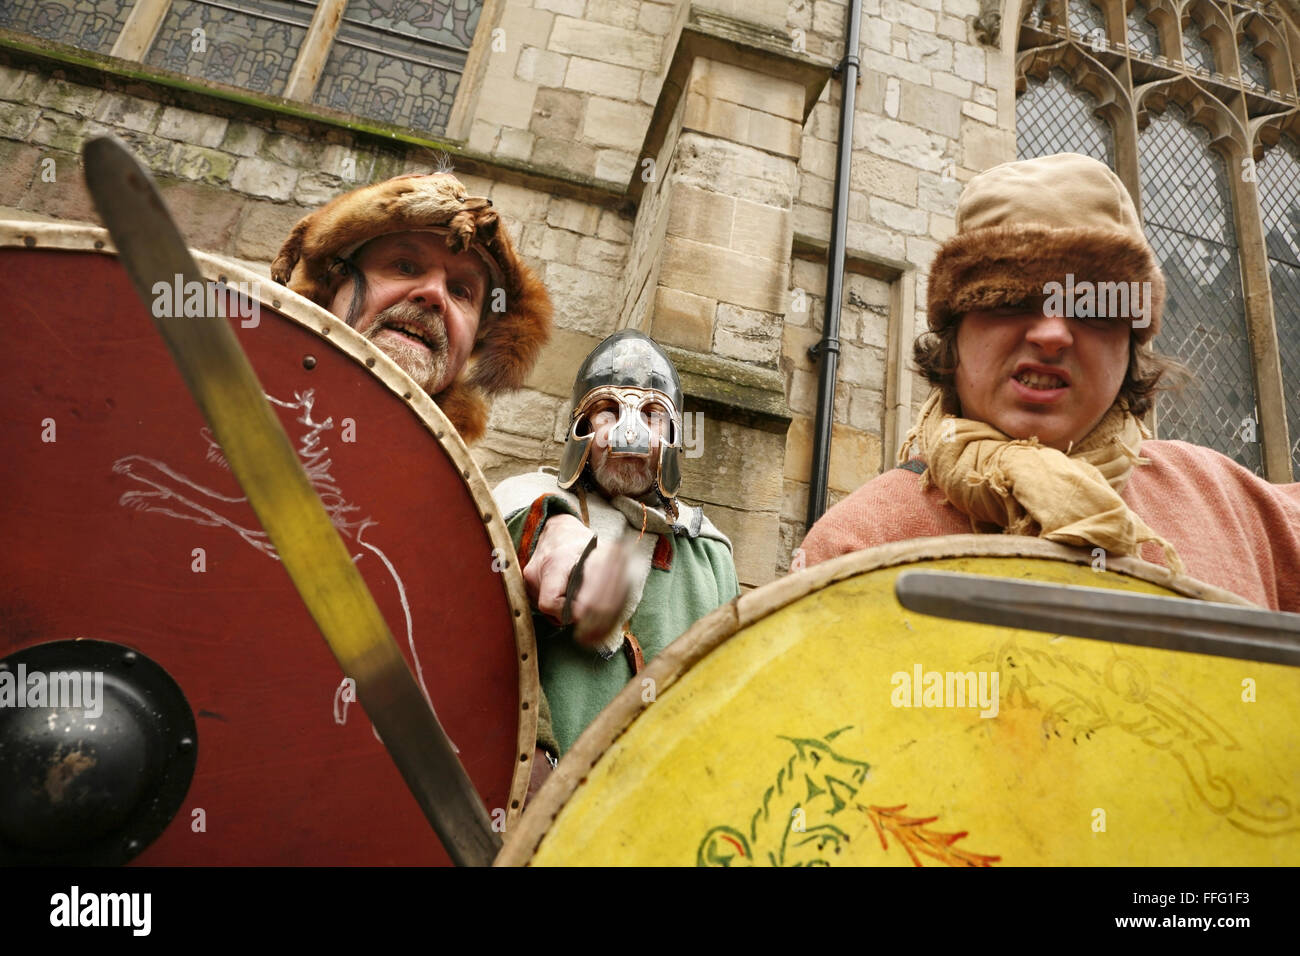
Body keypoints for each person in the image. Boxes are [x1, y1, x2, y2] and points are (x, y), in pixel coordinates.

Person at [800, 152, 1300, 612]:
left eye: (1093, 306)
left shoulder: (1228, 501)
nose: (1053, 333)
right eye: (1011, 301)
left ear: (1130, 343)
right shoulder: (858, 544)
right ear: (954, 333)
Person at [494, 330, 740, 772]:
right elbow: (519, 522)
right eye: (607, 410)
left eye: (651, 413)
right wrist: (558, 539)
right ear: (581, 428)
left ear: (672, 431)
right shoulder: (527, 501)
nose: (631, 430)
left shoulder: (710, 554)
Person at [271, 169, 552, 442]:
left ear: (478, 335)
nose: (434, 295)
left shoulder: (451, 487)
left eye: (459, 291)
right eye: (405, 267)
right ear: (333, 283)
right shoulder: (233, 381)